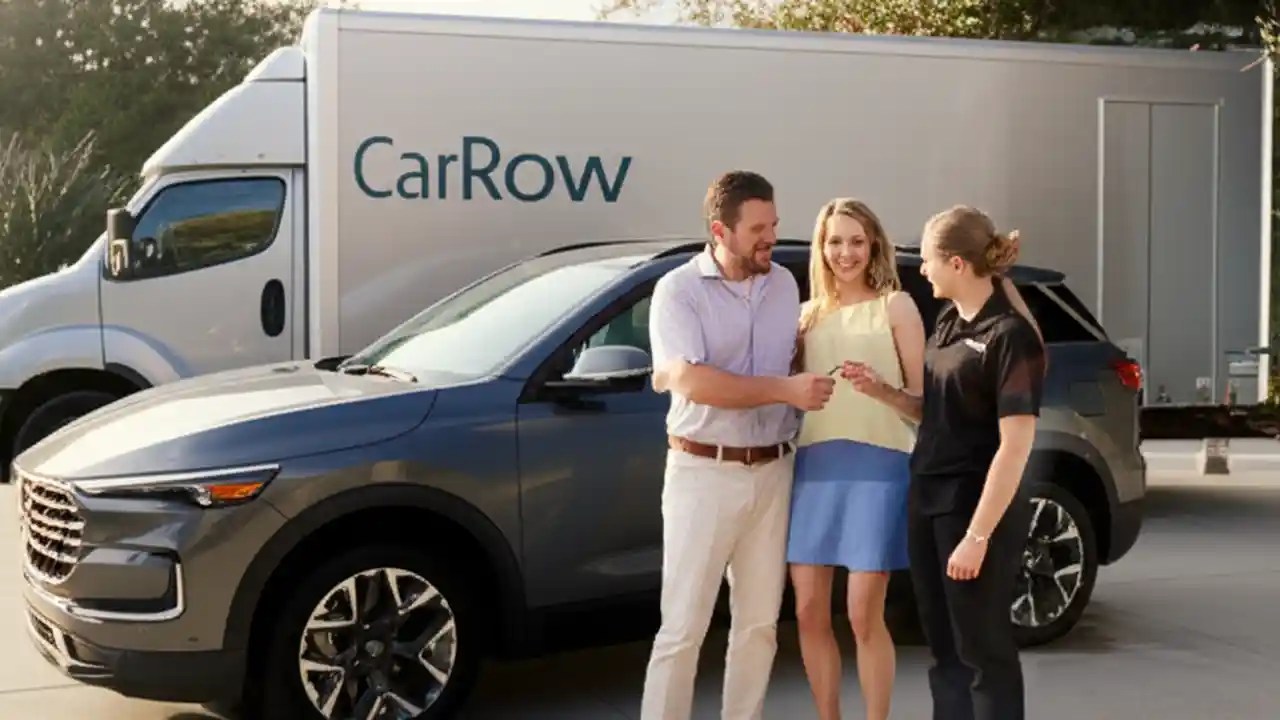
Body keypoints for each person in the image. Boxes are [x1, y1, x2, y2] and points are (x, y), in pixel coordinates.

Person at [640, 170, 837, 720]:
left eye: (773, 224)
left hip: (775, 471)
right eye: (757, 228)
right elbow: (694, 380)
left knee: (757, 627)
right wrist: (784, 389)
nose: (770, 237)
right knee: (682, 629)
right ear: (720, 231)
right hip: (703, 473)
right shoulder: (676, 291)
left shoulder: (783, 287)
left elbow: (790, 362)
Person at [844, 205, 1045, 720]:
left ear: (957, 263)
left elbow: (1015, 444)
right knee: (944, 651)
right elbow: (933, 412)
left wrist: (977, 536)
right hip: (928, 496)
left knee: (983, 652)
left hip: (974, 507)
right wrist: (883, 392)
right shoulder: (950, 322)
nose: (923, 269)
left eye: (929, 260)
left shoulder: (1009, 336)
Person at [786, 198, 926, 720]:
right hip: (814, 467)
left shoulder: (896, 306)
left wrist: (882, 390)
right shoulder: (803, 318)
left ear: (873, 247)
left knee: (864, 615)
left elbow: (923, 403)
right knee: (806, 614)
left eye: (857, 241)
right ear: (821, 248)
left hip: (880, 467)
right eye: (835, 241)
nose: (846, 253)